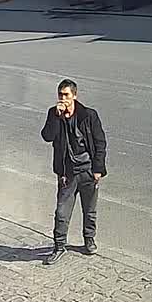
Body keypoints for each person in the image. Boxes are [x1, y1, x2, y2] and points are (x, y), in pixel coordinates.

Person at [40, 79, 107, 264]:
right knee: (61, 212)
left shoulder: (89, 115)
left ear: (75, 96)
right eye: (60, 95)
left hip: (87, 171)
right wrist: (55, 116)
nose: (63, 99)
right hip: (67, 174)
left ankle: (89, 240)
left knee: (90, 211)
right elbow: (47, 136)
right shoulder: (54, 114)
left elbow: (100, 142)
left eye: (66, 95)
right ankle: (59, 246)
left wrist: (98, 169)